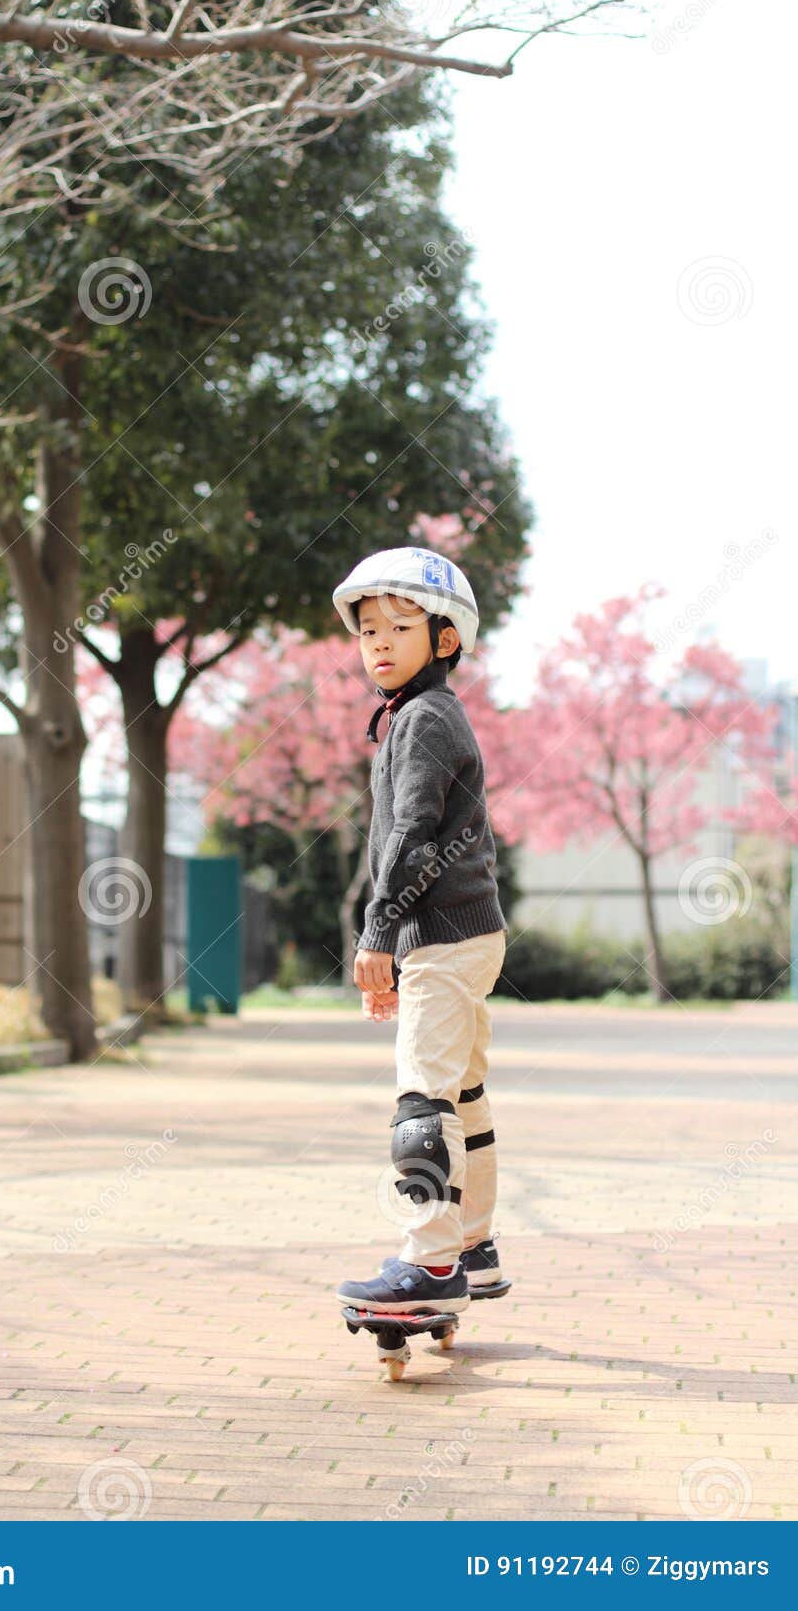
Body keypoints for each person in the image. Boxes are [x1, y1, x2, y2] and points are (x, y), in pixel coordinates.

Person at [331, 546, 509, 1316]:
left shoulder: (426, 718)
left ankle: (430, 1265)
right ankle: (474, 1246)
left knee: (421, 1101)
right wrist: (401, 955)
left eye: (397, 626)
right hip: (462, 934)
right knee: (462, 1093)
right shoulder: (420, 715)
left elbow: (412, 835)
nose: (376, 641)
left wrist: (378, 936)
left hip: (442, 933)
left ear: (443, 640)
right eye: (366, 628)